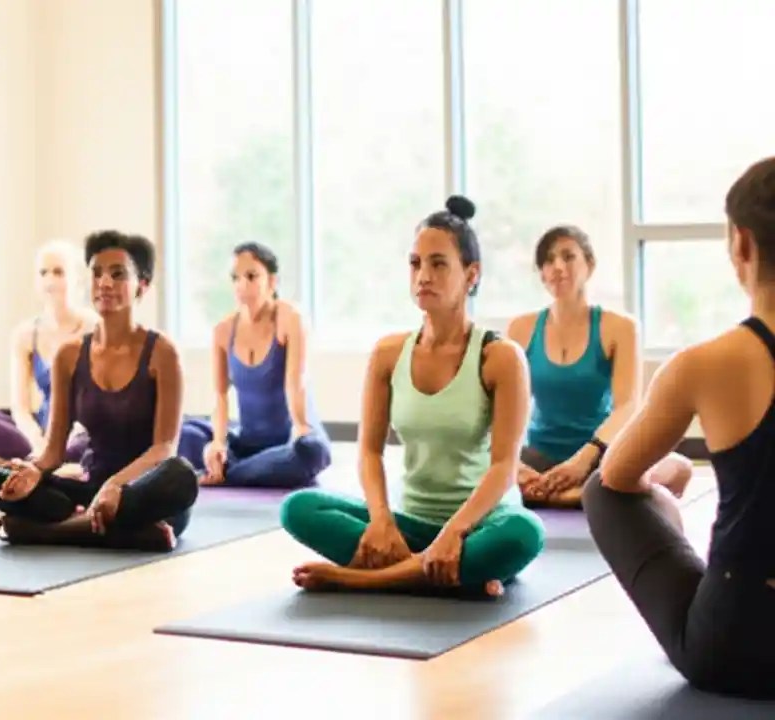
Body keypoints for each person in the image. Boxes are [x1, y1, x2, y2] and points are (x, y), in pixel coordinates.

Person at [279, 196, 545, 597]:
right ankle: (447, 575)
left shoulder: (500, 357)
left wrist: (455, 533)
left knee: (524, 534)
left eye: (438, 264)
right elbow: (368, 451)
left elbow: (505, 467)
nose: (423, 275)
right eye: (415, 263)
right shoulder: (388, 354)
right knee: (298, 508)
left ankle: (366, 579)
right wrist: (382, 521)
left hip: (479, 524)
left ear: (471, 274)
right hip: (408, 523)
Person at [582, 157, 775, 698]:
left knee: (603, 490)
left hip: (734, 647)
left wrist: (665, 493)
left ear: (742, 245)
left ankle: (670, 490)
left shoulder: (704, 365)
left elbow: (617, 478)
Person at [0, 230, 199, 552]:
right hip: (90, 489)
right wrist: (32, 471)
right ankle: (113, 531)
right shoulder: (69, 355)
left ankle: (49, 531)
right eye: (97, 273)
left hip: (140, 492)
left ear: (141, 287)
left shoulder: (163, 352)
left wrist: (116, 486)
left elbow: (164, 448)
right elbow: (54, 451)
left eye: (117, 275)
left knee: (181, 476)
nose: (104, 283)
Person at [507, 226, 692, 507]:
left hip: (601, 455)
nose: (557, 267)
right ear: (542, 273)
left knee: (679, 469)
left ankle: (571, 494)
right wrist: (515, 468)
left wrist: (584, 460)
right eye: (548, 260)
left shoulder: (620, 327)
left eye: (568, 257)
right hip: (540, 457)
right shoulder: (521, 328)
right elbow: (506, 407)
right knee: (478, 472)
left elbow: (627, 405)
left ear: (589, 265)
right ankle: (576, 496)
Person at [179, 242, 331, 488]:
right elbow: (219, 397)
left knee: (312, 452)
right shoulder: (223, 330)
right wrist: (218, 443)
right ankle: (233, 468)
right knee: (185, 433)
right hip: (247, 443)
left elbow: (297, 382)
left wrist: (302, 427)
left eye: (251, 276)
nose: (242, 285)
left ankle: (228, 474)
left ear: (272, 281)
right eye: (235, 278)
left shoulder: (290, 319)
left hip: (290, 443)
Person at [0, 240, 96, 468]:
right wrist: (37, 440)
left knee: (103, 440)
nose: (49, 280)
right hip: (44, 431)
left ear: (76, 279)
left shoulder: (95, 327)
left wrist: (72, 436)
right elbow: (21, 408)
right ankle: (49, 466)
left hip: (83, 431)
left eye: (58, 272)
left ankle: (26, 466)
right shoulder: (25, 334)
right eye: (43, 273)